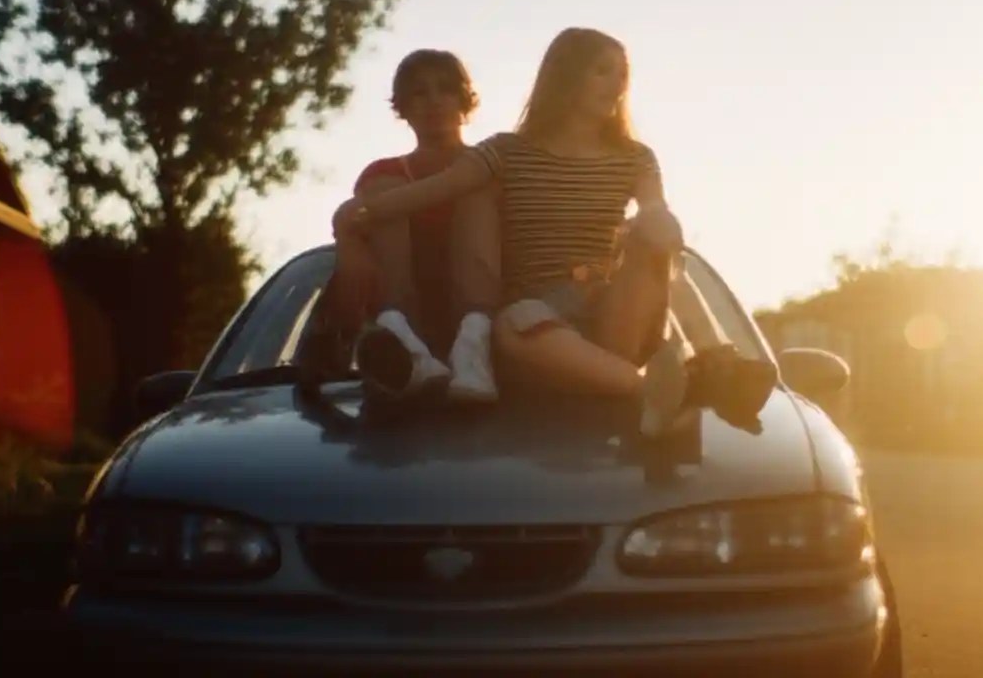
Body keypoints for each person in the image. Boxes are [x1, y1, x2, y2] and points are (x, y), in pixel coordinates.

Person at [338, 27, 773, 436]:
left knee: (654, 231)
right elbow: (434, 190)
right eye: (603, 71)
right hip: (541, 324)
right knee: (514, 321)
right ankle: (654, 389)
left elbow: (658, 220)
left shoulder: (635, 157)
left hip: (615, 316)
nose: (617, 85)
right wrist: (353, 219)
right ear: (566, 76)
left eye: (623, 75)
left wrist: (655, 223)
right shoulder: (505, 151)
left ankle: (715, 361)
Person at [322, 49, 501, 402]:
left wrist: (348, 222)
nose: (433, 102)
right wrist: (349, 242)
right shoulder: (383, 175)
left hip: (488, 313)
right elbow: (353, 247)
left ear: (464, 99)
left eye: (445, 89)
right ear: (402, 106)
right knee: (386, 186)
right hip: (410, 313)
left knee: (477, 188)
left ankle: (474, 339)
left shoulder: (492, 165)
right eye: (419, 92)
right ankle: (402, 339)